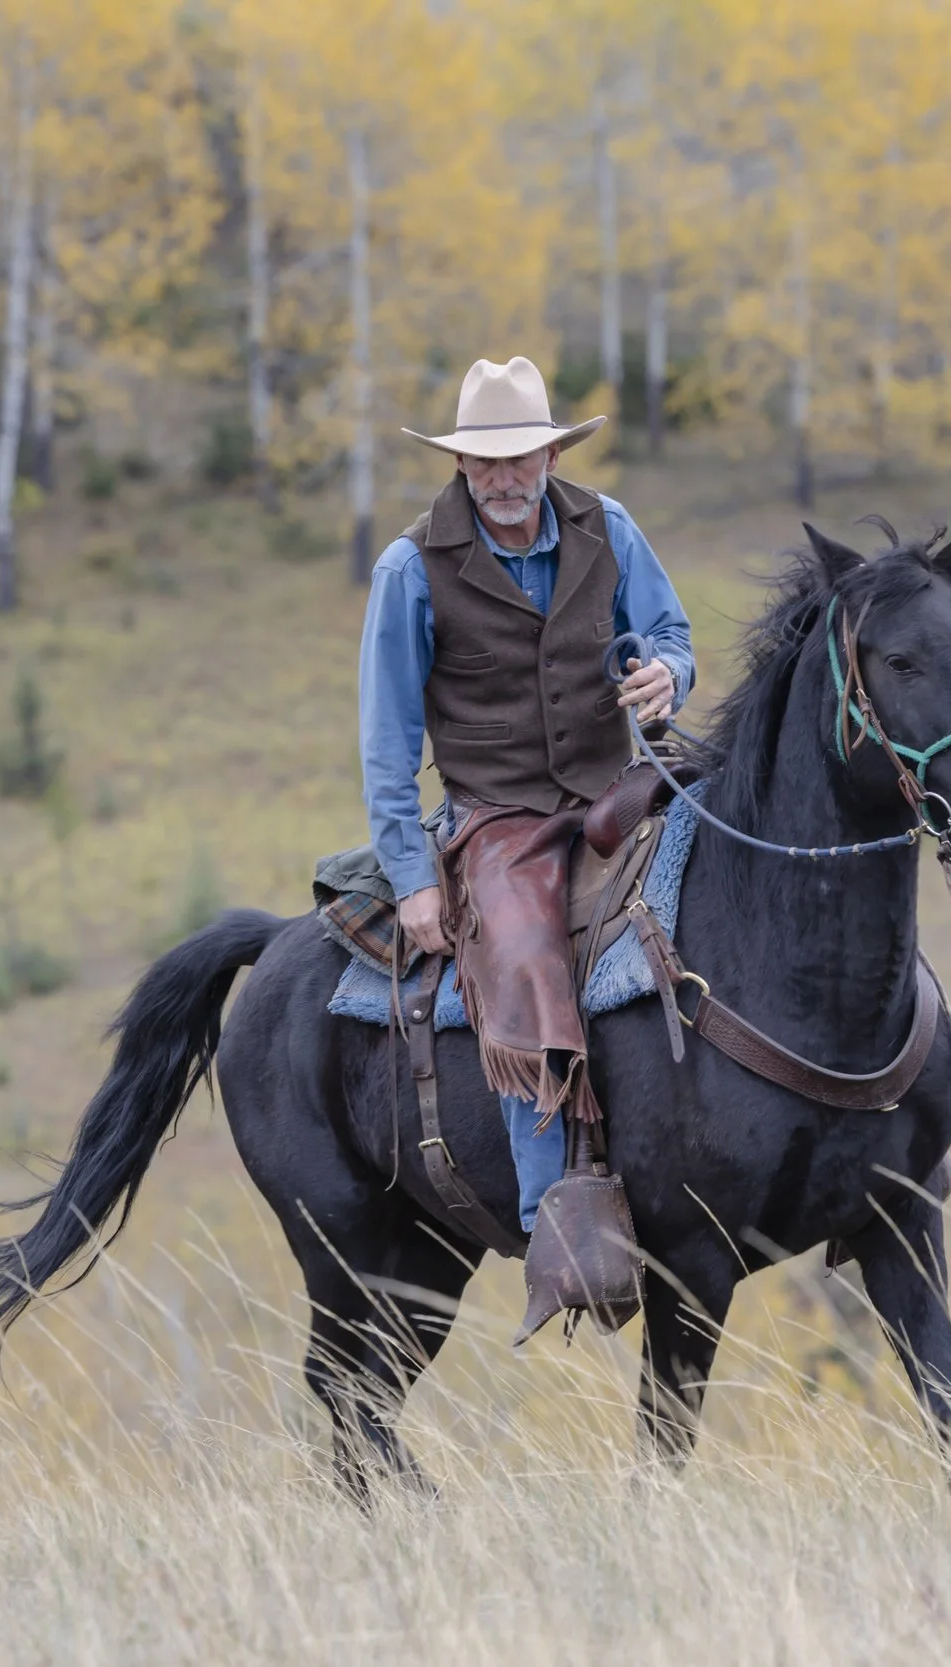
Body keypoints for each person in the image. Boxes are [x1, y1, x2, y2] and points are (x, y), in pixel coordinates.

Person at [358, 355, 695, 1233]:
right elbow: (386, 742)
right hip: (498, 817)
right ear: (460, 464)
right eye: (486, 461)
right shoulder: (410, 567)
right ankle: (558, 1215)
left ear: (550, 456)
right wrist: (413, 877)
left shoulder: (607, 524)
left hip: (615, 789)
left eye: (522, 458)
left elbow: (668, 630)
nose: (505, 479)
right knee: (524, 964)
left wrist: (668, 674)